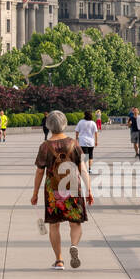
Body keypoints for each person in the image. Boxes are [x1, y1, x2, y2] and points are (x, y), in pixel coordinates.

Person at [32, 110, 91, 269]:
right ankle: (74, 245)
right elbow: (83, 169)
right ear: (65, 124)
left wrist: (35, 193)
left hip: (53, 191)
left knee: (54, 224)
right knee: (75, 222)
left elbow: (39, 171)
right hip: (73, 188)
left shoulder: (45, 146)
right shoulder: (74, 143)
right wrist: (89, 190)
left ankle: (59, 260)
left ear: (48, 125)